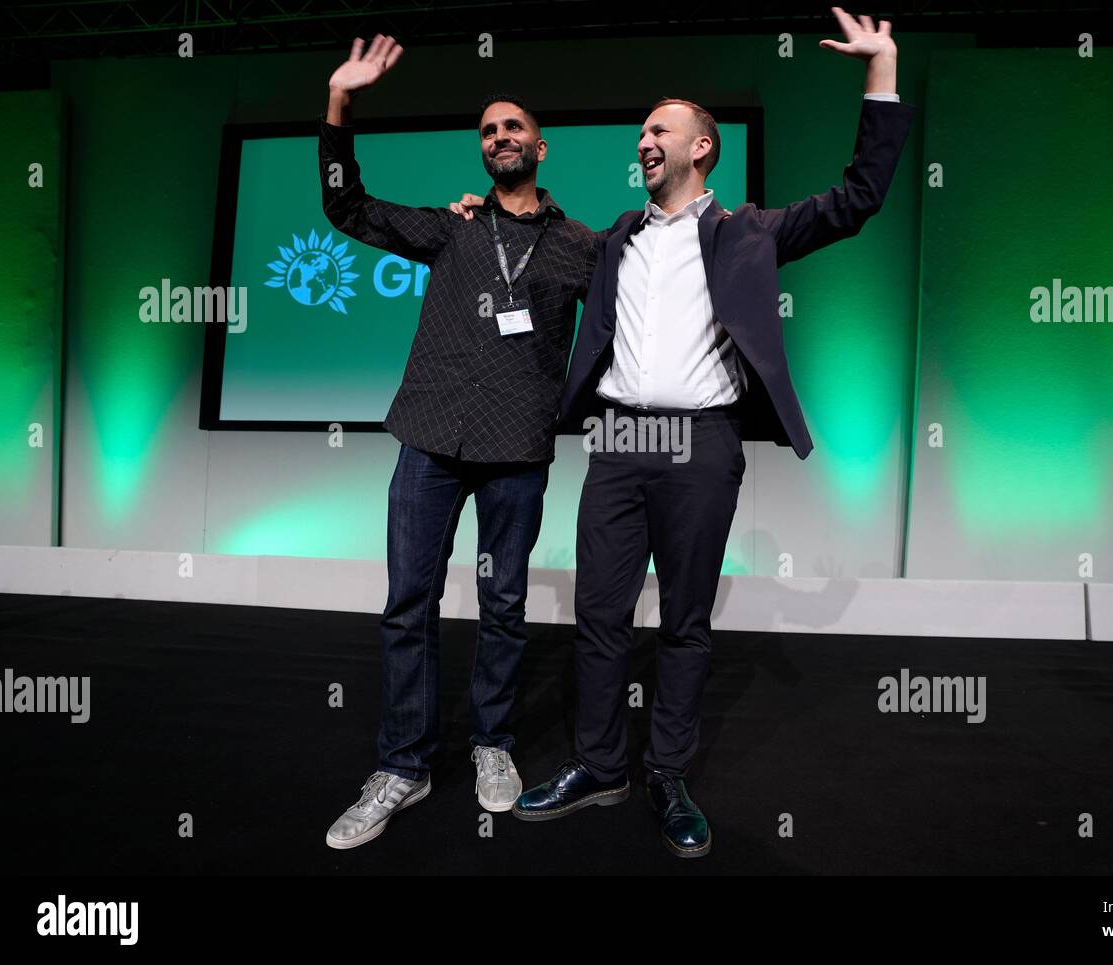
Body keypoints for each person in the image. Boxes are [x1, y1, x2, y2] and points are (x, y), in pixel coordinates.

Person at [502, 9, 914, 858]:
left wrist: (882, 71)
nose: (645, 139)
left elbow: (858, 198)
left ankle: (667, 773)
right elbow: (530, 233)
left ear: (702, 150)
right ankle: (599, 764)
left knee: (685, 621)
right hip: (618, 444)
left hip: (703, 446)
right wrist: (486, 207)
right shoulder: (613, 238)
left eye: (662, 128)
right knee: (599, 616)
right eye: (642, 130)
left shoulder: (749, 232)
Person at [317, 34, 599, 849]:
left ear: (539, 147)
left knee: (504, 606)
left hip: (517, 446)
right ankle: (403, 765)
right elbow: (348, 208)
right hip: (431, 439)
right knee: (410, 604)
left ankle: (494, 744)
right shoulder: (452, 230)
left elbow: (628, 321)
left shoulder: (582, 247)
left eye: (513, 127)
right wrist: (342, 102)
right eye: (487, 130)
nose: (499, 137)